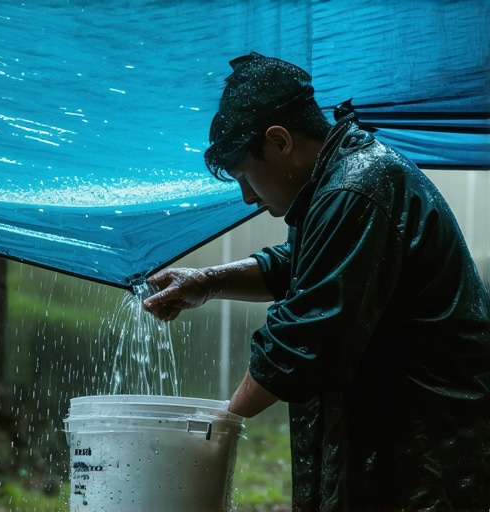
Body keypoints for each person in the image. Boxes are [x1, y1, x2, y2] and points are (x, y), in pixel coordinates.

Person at [143, 52, 490, 510]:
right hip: (394, 448)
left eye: (246, 175)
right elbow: (302, 266)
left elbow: (304, 341)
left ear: (280, 140)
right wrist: (206, 281)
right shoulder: (340, 182)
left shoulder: (356, 189)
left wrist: (214, 430)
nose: (248, 195)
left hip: (428, 460)